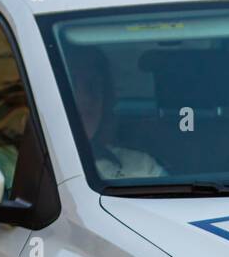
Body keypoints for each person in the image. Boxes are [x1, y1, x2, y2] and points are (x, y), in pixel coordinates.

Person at [66, 49, 166, 181]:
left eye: (93, 86)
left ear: (106, 100)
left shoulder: (142, 166)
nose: (85, 99)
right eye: (71, 86)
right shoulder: (33, 168)